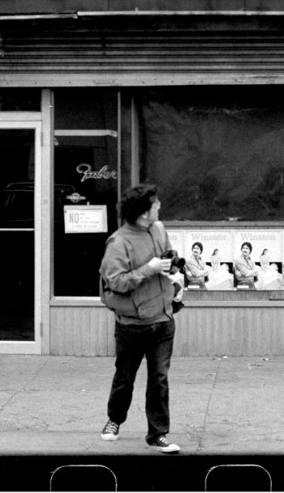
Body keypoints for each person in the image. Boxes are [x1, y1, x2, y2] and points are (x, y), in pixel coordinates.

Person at [98, 184, 182, 453]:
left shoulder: (158, 228)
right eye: (155, 204)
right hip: (132, 325)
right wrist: (149, 268)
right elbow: (115, 282)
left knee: (159, 380)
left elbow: (168, 254)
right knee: (125, 377)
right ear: (144, 211)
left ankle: (158, 434)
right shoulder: (118, 242)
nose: (159, 206)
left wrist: (173, 266)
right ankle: (114, 419)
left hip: (163, 318)